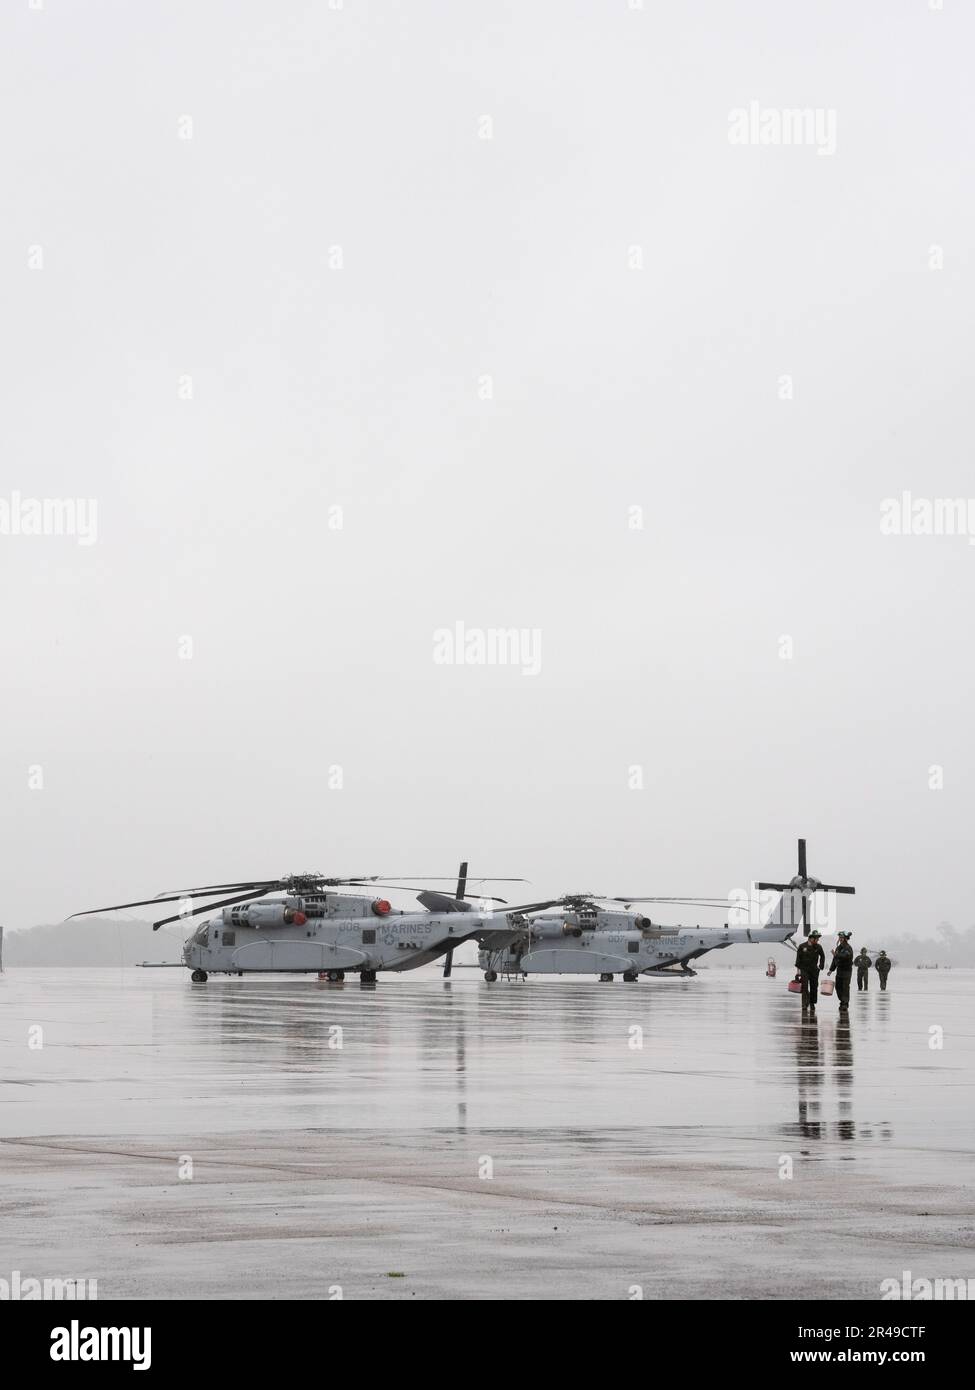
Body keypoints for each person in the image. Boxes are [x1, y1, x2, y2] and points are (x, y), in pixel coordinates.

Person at [795, 929, 826, 1012]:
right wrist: (798, 972)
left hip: (814, 970)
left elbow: (822, 956)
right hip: (804, 970)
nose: (818, 940)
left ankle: (812, 1003)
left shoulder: (818, 947)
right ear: (811, 938)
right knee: (804, 987)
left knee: (814, 987)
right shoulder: (802, 946)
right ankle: (804, 1004)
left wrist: (821, 966)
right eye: (816, 938)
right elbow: (798, 960)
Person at [828, 930, 855, 1010]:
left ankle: (845, 1003)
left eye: (842, 937)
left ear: (846, 938)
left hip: (846, 970)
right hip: (839, 970)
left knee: (845, 987)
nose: (840, 939)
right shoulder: (838, 948)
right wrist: (831, 970)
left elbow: (845, 956)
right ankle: (842, 1000)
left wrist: (836, 955)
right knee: (838, 987)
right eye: (839, 937)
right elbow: (835, 959)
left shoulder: (848, 948)